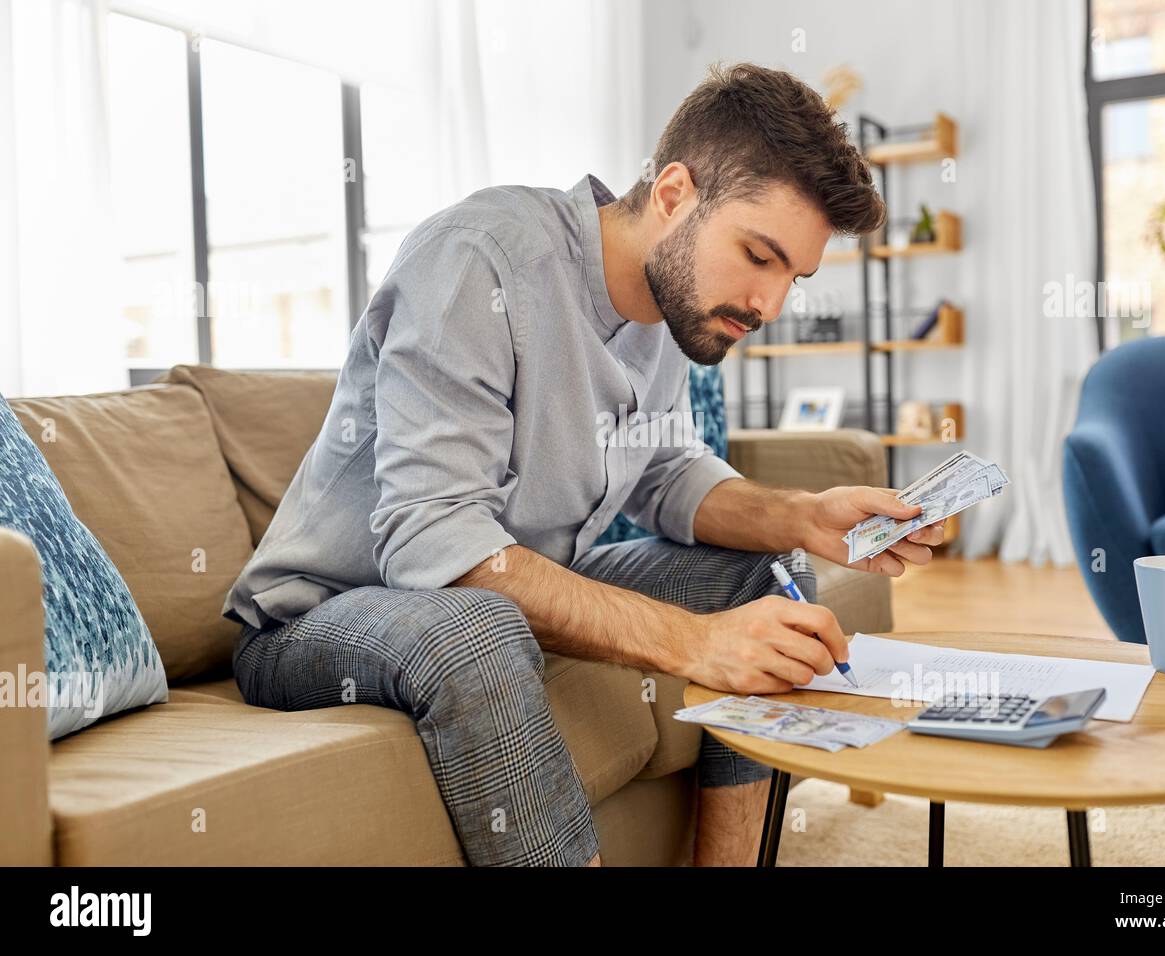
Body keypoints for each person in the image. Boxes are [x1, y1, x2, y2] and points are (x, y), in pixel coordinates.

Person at [224, 61, 943, 867]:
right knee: (475, 626)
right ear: (674, 194)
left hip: (514, 589)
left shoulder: (673, 311)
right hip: (326, 614)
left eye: (793, 278)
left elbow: (665, 473)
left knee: (763, 571)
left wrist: (802, 517)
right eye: (758, 255)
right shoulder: (478, 261)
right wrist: (693, 643)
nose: (769, 306)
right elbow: (431, 542)